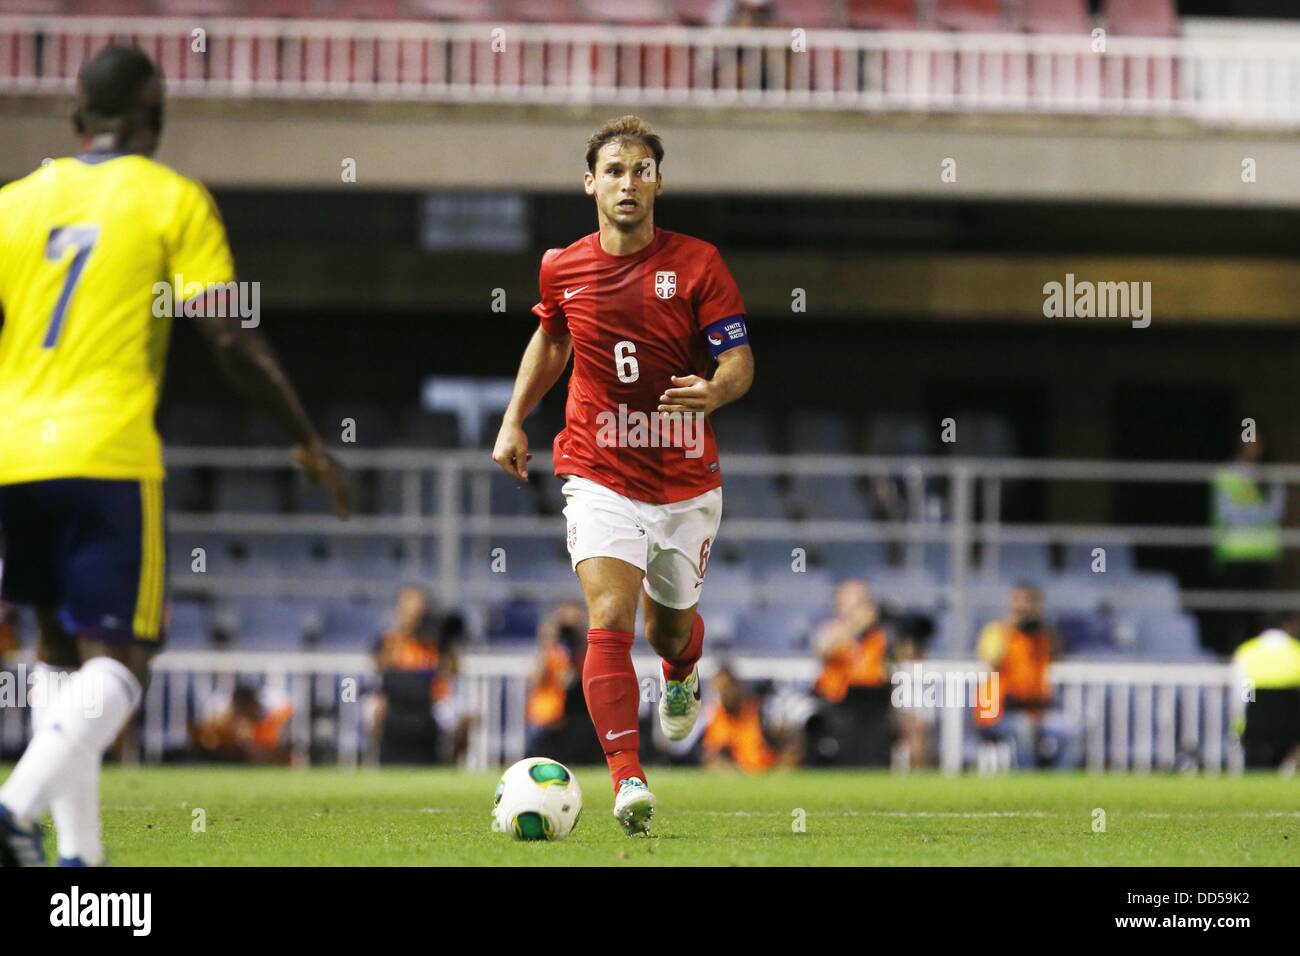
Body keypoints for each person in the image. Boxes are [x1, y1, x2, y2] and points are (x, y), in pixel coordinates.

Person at [0, 45, 350, 867]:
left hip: (16, 457)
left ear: (74, 117)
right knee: (122, 663)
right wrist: (304, 435)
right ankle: (14, 804)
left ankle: (80, 861)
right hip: (108, 452)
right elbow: (230, 338)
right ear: (155, 120)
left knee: (58, 655)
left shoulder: (14, 203)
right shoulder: (172, 198)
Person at [491, 115, 754, 836]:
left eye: (640, 170)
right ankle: (628, 780)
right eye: (614, 171)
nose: (627, 182)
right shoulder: (562, 266)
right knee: (608, 619)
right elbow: (551, 337)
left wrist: (716, 390)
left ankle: (681, 672)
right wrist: (515, 417)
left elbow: (739, 361)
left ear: (658, 183)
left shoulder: (699, 263)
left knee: (668, 633)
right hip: (598, 466)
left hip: (684, 478)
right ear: (590, 184)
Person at [974, 583, 1076, 769]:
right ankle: (1026, 780)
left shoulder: (1044, 636)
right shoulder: (997, 631)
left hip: (1037, 711)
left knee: (1070, 728)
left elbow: (1059, 654)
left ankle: (1060, 784)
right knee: (1024, 728)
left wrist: (1042, 624)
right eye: (1020, 604)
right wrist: (1011, 627)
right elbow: (991, 658)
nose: (1026, 609)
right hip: (998, 714)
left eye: (1031, 604)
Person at [1209, 434, 1286, 653]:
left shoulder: (1272, 475)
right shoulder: (1227, 473)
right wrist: (1256, 512)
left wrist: (1246, 510)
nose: (1252, 447)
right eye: (1248, 441)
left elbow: (1274, 513)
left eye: (1257, 441)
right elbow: (1228, 513)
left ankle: (1252, 670)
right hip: (1234, 554)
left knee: (1256, 616)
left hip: (1262, 555)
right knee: (1232, 615)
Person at [525, 601, 602, 767]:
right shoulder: (552, 654)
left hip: (569, 719)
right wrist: (548, 644)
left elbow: (582, 678)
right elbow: (536, 680)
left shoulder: (583, 651)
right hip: (545, 717)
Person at [1232, 616, 1300, 772]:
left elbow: (1243, 693)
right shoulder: (1296, 652)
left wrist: (1242, 718)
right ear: (1288, 626)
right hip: (1291, 726)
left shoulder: (1247, 652)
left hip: (1256, 724)